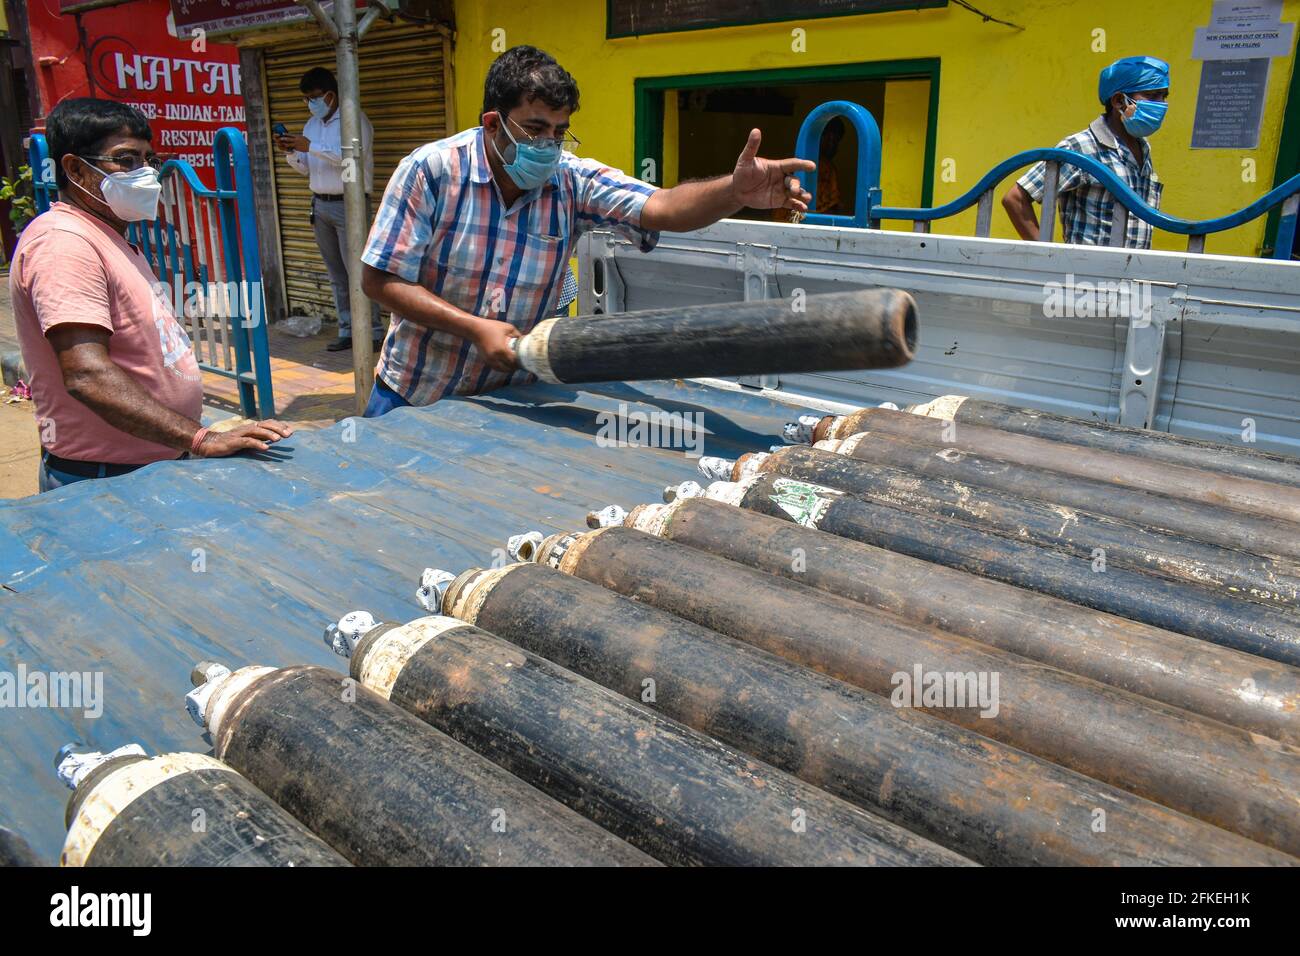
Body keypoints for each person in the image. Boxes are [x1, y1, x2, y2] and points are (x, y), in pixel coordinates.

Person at [359, 45, 815, 416]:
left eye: (559, 133)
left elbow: (664, 207)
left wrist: (734, 193)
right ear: (494, 123)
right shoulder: (431, 171)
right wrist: (474, 328)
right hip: (411, 397)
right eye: (535, 129)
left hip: (512, 402)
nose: (548, 145)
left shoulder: (570, 180)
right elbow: (380, 279)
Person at [8, 98, 291, 493]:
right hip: (106, 483)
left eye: (148, 160)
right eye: (125, 160)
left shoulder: (109, 237)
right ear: (74, 169)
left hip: (147, 469)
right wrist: (201, 438)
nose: (144, 174)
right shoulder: (64, 244)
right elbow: (86, 375)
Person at [1003, 56, 1169, 248]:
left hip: (1132, 273)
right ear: (1118, 101)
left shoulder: (1143, 147)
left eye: (1164, 96)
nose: (1161, 104)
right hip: (1088, 272)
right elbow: (1015, 199)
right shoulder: (1082, 147)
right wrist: (1049, 258)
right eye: (1152, 96)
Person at [278, 67, 382, 352]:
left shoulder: (354, 120)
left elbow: (349, 159)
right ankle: (348, 329)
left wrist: (310, 147)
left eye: (313, 98)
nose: (310, 104)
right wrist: (291, 152)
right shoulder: (311, 126)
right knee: (336, 273)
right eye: (306, 99)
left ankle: (372, 331)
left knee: (358, 271)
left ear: (330, 94)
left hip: (350, 204)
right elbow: (306, 167)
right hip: (321, 204)